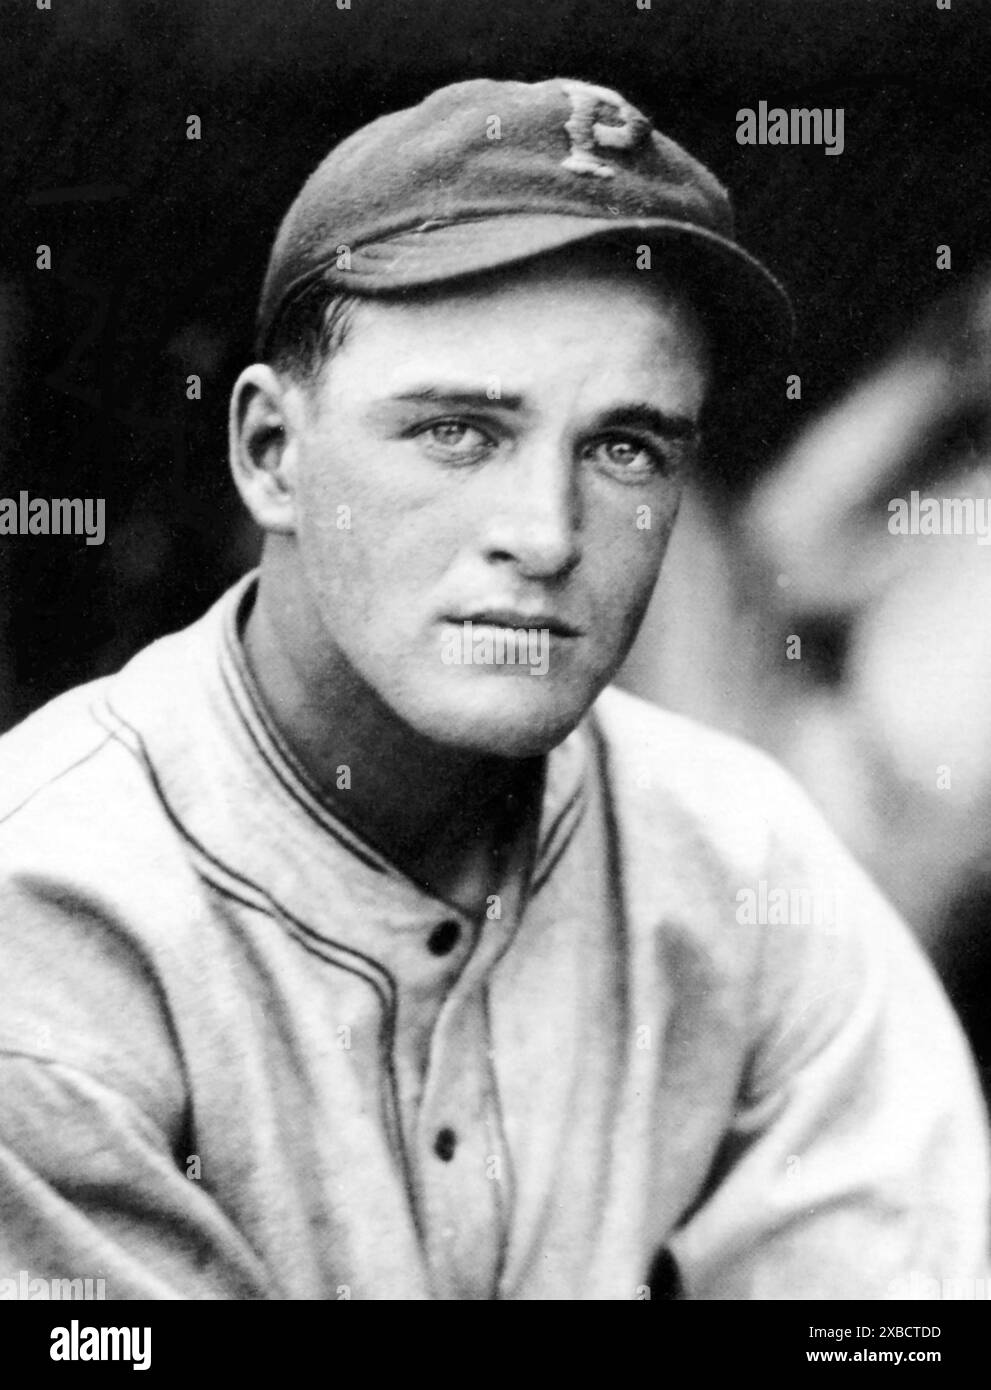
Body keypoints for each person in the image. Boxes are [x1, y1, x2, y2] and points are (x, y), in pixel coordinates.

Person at [0, 77, 986, 1302]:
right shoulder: (46, 910)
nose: (546, 532)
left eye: (625, 446)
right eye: (458, 431)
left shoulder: (747, 858)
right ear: (270, 455)